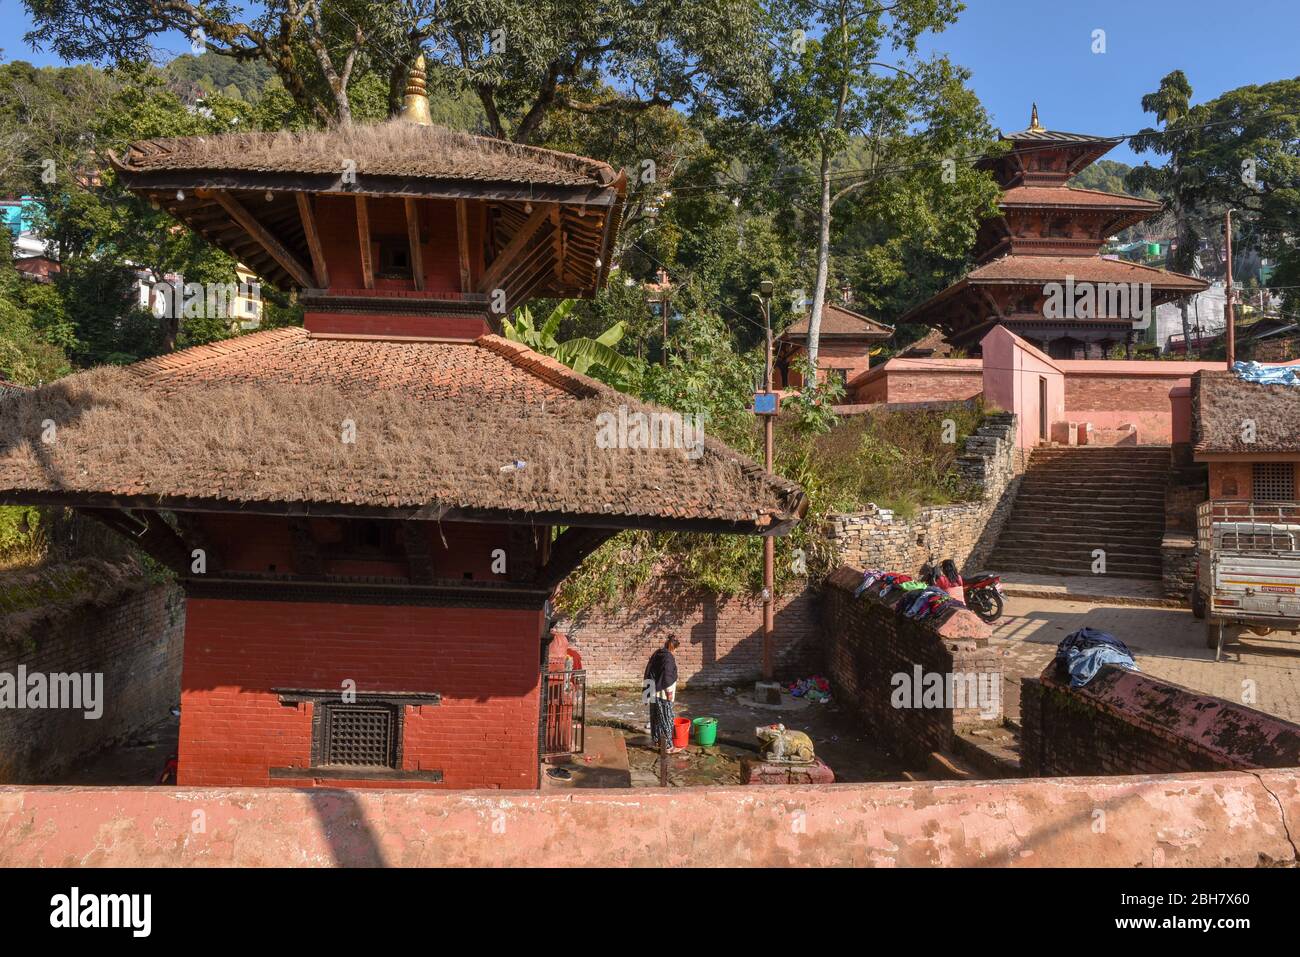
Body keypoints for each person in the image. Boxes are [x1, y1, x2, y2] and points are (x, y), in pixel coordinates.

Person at [644, 637, 681, 753]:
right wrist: (669, 692)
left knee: (655, 718)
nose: (676, 652)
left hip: (653, 692)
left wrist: (646, 692)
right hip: (663, 694)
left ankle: (656, 741)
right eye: (676, 649)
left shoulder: (657, 653)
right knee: (666, 719)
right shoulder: (668, 658)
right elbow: (667, 676)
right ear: (673, 647)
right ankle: (668, 747)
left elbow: (649, 671)